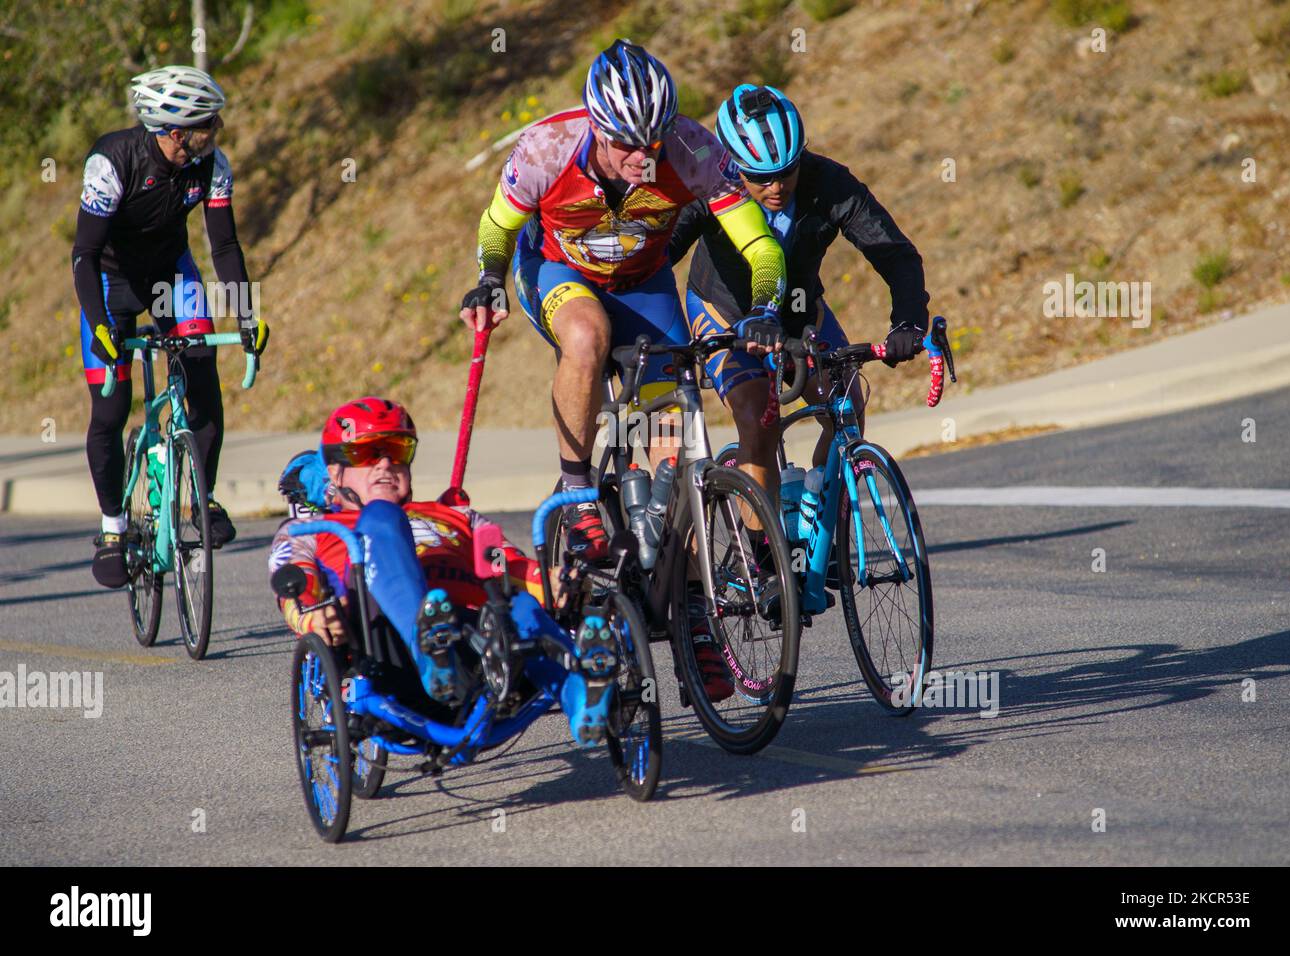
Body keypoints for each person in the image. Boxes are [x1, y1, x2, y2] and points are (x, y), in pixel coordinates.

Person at [459, 40, 788, 568]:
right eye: (625, 143)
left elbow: (760, 244)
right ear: (595, 124)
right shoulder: (547, 148)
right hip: (554, 270)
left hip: (642, 283)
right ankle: (579, 493)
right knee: (588, 336)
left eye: (652, 142)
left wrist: (767, 306)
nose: (642, 157)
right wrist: (487, 279)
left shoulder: (693, 150)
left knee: (673, 444)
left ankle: (684, 602)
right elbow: (497, 226)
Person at [269, 398, 614, 743]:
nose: (386, 463)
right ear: (334, 470)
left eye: (397, 450)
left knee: (521, 608)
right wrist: (311, 618)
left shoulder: (456, 515)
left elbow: (507, 565)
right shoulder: (315, 529)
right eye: (368, 452)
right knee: (382, 517)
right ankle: (430, 651)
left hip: (481, 647)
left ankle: (581, 697)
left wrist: (550, 582)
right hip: (388, 652)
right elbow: (295, 582)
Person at [669, 84, 931, 502]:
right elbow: (660, 257)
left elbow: (895, 254)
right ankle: (761, 557)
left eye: (786, 171)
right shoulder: (711, 183)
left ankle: (818, 521)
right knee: (759, 423)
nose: (775, 186)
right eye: (759, 176)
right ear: (733, 165)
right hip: (724, 311)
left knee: (847, 411)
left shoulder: (827, 182)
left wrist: (909, 320)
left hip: (800, 310)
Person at [73, 65, 269, 589]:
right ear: (175, 131)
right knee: (111, 407)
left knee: (203, 381)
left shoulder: (211, 164)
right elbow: (84, 254)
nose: (218, 131)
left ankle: (197, 498)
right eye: (209, 124)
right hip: (112, 286)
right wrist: (99, 325)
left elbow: (224, 247)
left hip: (170, 277)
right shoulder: (111, 162)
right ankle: (113, 524)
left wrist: (247, 318)